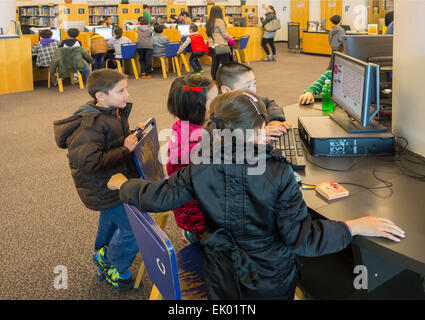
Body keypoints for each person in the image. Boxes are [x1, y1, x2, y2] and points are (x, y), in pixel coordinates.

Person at [108, 90, 405, 299]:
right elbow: (301, 239)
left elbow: (159, 197)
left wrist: (123, 185)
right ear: (261, 128)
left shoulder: (199, 163)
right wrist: (353, 226)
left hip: (220, 275)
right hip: (270, 280)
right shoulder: (278, 173)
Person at [53, 69, 145, 291]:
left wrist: (133, 136)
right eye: (120, 91)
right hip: (102, 186)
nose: (127, 94)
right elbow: (89, 162)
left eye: (126, 89)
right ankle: (115, 264)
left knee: (113, 218)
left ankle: (102, 254)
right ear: (100, 96)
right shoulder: (91, 124)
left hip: (112, 182)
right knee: (135, 228)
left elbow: (111, 143)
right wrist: (125, 149)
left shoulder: (112, 112)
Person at [166, 75, 219, 244]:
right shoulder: (193, 145)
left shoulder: (187, 126)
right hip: (200, 218)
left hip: (196, 205)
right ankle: (192, 236)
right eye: (215, 99)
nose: (220, 102)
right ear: (198, 108)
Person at [216, 62, 291, 137]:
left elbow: (269, 103)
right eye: (247, 86)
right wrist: (259, 133)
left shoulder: (249, 98)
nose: (254, 90)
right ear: (226, 90)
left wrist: (275, 120)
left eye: (254, 83)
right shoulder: (220, 112)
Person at [206, 6, 233, 80]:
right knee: (225, 64)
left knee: (215, 64)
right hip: (221, 45)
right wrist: (231, 37)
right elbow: (224, 34)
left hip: (212, 46)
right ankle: (225, 80)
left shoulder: (209, 22)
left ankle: (215, 80)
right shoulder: (220, 21)